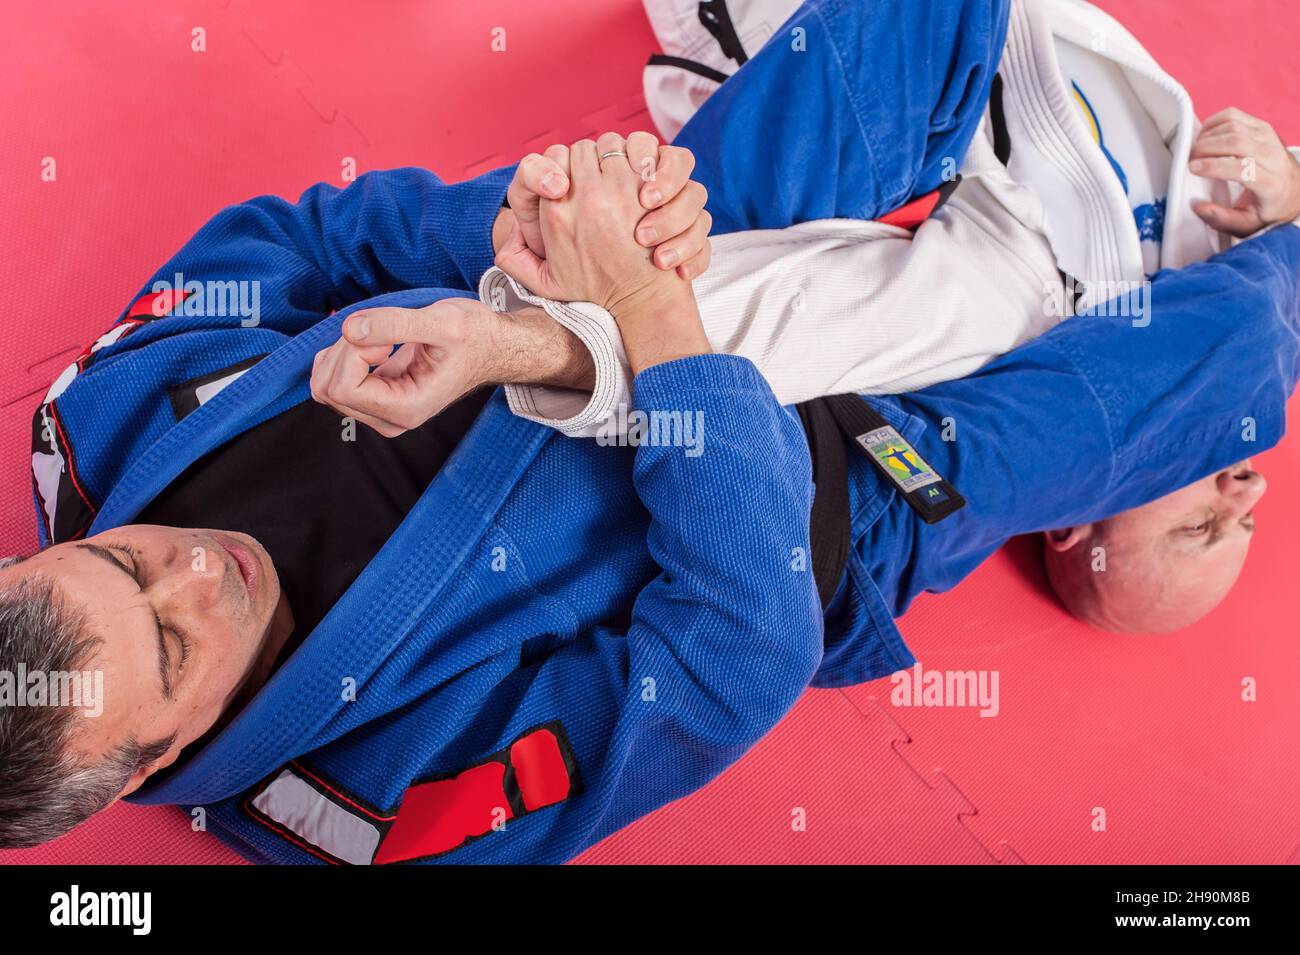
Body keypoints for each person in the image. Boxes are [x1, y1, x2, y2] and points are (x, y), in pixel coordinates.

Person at [2, 0, 1298, 862]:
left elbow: (298, 243)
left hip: (611, 278)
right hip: (825, 490)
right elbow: (738, 650)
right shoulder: (374, 808)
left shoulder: (90, 429)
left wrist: (507, 228)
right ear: (148, 770)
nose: (192, 567)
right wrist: (653, 331)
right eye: (174, 645)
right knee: (1251, 350)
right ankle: (1162, 249)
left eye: (122, 561)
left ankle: (1059, 247)